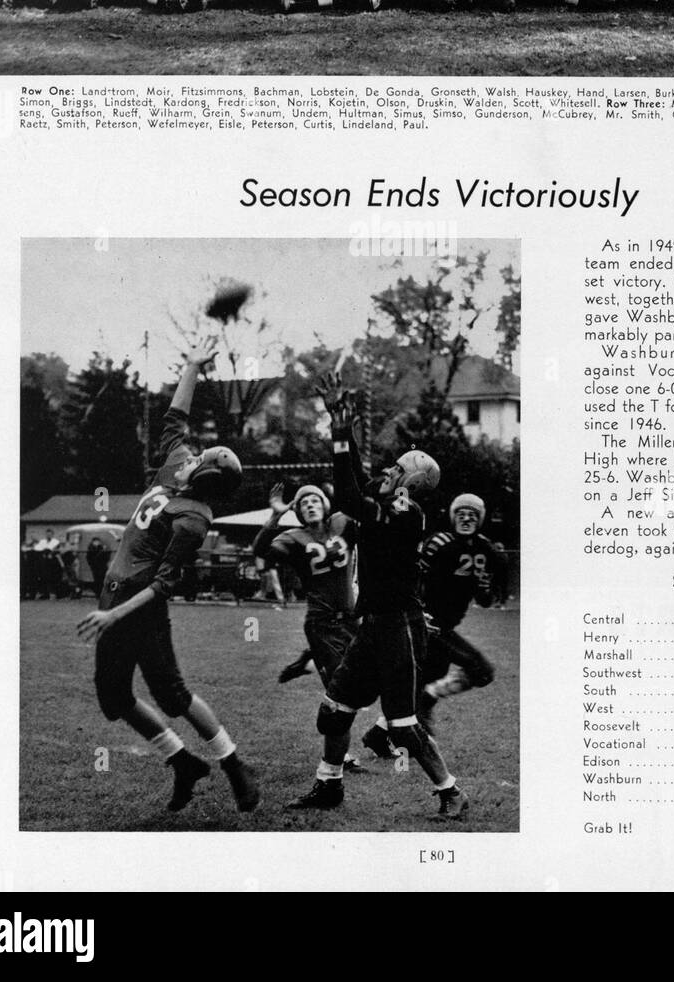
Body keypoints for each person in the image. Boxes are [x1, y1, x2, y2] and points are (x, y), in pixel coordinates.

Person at [76, 340, 259, 815]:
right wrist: (193, 367)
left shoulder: (193, 518)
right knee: (113, 698)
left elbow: (161, 586)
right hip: (115, 593)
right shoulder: (179, 466)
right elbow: (175, 417)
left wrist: (113, 614)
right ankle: (182, 762)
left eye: (203, 464)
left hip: (137, 605)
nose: (194, 460)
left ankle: (233, 762)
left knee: (172, 695)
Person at [286, 375, 467, 818]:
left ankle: (451, 791)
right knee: (333, 711)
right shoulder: (391, 503)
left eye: (398, 469)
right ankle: (328, 786)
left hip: (399, 628)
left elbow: (349, 493)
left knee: (403, 727)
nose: (389, 470)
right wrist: (341, 426)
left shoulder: (407, 512)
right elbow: (360, 485)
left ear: (410, 484)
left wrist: (338, 439)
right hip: (372, 626)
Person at [254, 482, 361, 782]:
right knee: (342, 693)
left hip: (353, 619)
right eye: (303, 503)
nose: (310, 504)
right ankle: (338, 759)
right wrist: (274, 517)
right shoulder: (294, 536)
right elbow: (260, 551)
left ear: (326, 504)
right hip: (323, 624)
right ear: (298, 511)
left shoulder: (342, 522)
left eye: (315, 499)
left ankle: (306, 662)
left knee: (365, 681)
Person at [417, 495, 506, 729]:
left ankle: (380, 735)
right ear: (453, 516)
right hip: (430, 625)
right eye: (461, 513)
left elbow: (484, 601)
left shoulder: (484, 547)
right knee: (482, 670)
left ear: (480, 520)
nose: (466, 518)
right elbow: (414, 579)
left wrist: (486, 588)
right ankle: (421, 713)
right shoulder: (439, 543)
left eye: (473, 515)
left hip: (446, 625)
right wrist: (419, 612)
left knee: (427, 683)